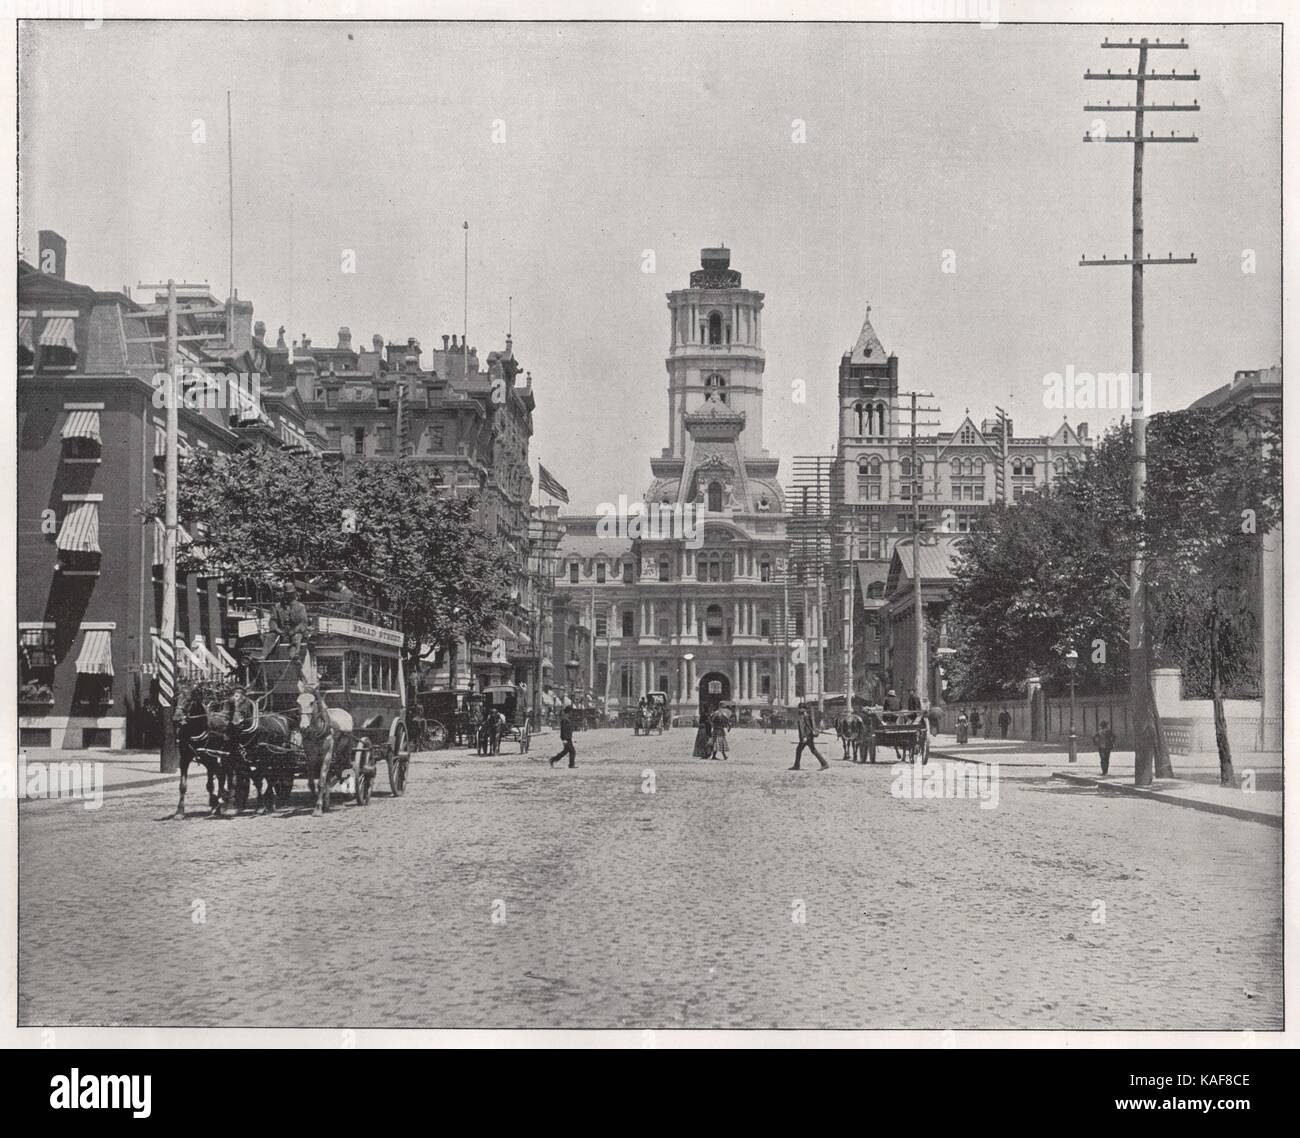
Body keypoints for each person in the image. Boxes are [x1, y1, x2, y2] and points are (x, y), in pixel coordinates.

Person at [269, 585, 310, 667]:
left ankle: (295, 656)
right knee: (269, 638)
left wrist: (294, 631)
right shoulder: (277, 606)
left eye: (290, 594)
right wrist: (278, 630)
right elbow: (273, 621)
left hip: (295, 631)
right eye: (286, 594)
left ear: (294, 594)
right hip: (281, 631)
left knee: (296, 637)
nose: (288, 596)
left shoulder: (300, 607)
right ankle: (265, 658)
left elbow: (303, 622)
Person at [789, 702, 830, 771]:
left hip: (807, 737)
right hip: (808, 736)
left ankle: (824, 764)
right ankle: (824, 763)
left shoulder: (804, 716)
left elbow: (805, 727)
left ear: (803, 709)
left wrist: (804, 737)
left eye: (800, 708)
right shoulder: (805, 715)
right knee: (808, 750)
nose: (799, 709)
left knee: (803, 750)